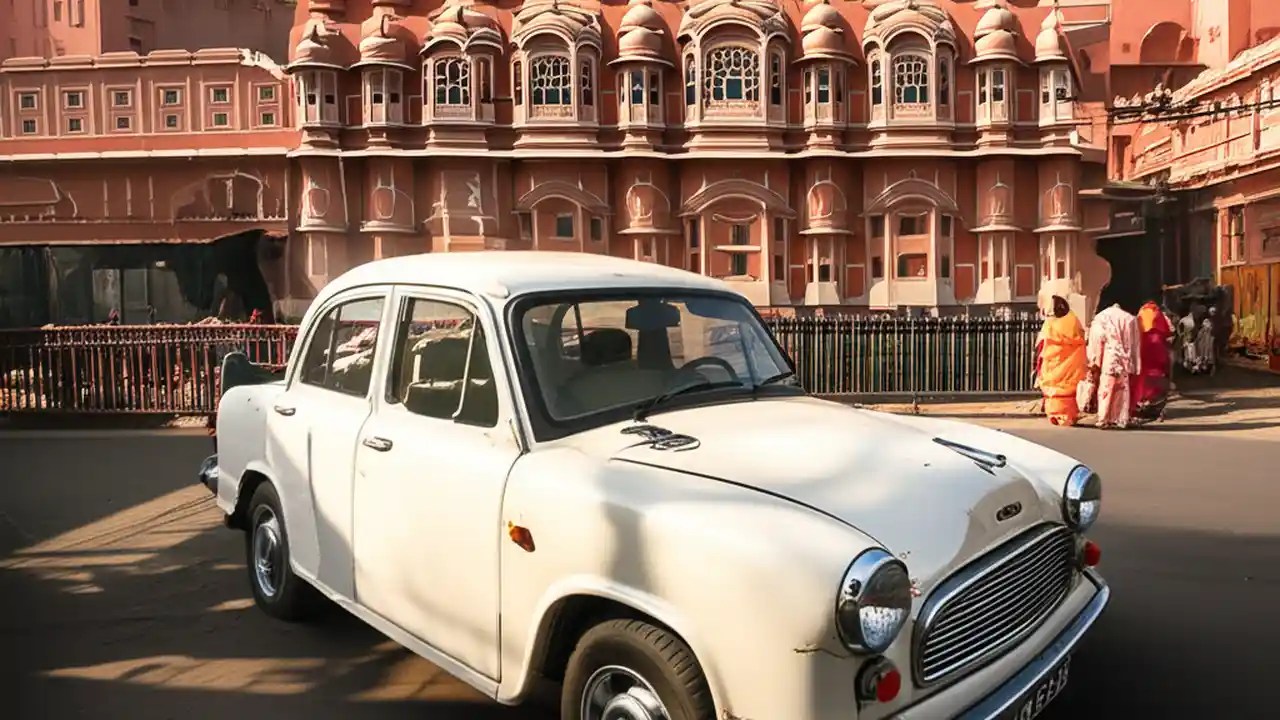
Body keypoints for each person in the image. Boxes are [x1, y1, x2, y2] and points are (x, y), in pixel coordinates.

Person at [1034, 295, 1088, 426]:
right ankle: (1067, 416)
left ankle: (1053, 413)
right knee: (1068, 390)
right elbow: (1080, 338)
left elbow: (1040, 344)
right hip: (1071, 364)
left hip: (1052, 363)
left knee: (1053, 389)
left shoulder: (1049, 324)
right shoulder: (1072, 320)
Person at [1086, 303, 1142, 429]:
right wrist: (1135, 364)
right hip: (1124, 360)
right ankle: (1120, 418)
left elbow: (1096, 340)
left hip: (1109, 358)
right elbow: (1135, 344)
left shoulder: (1101, 318)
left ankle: (1104, 417)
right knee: (1122, 390)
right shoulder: (1130, 319)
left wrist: (1094, 361)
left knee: (1106, 389)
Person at [1133, 301, 1174, 422]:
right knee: (1158, 381)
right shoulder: (1159, 314)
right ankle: (1154, 406)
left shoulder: (1141, 314)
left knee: (1143, 379)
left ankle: (1142, 403)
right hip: (1159, 353)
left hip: (1144, 351)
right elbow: (1168, 332)